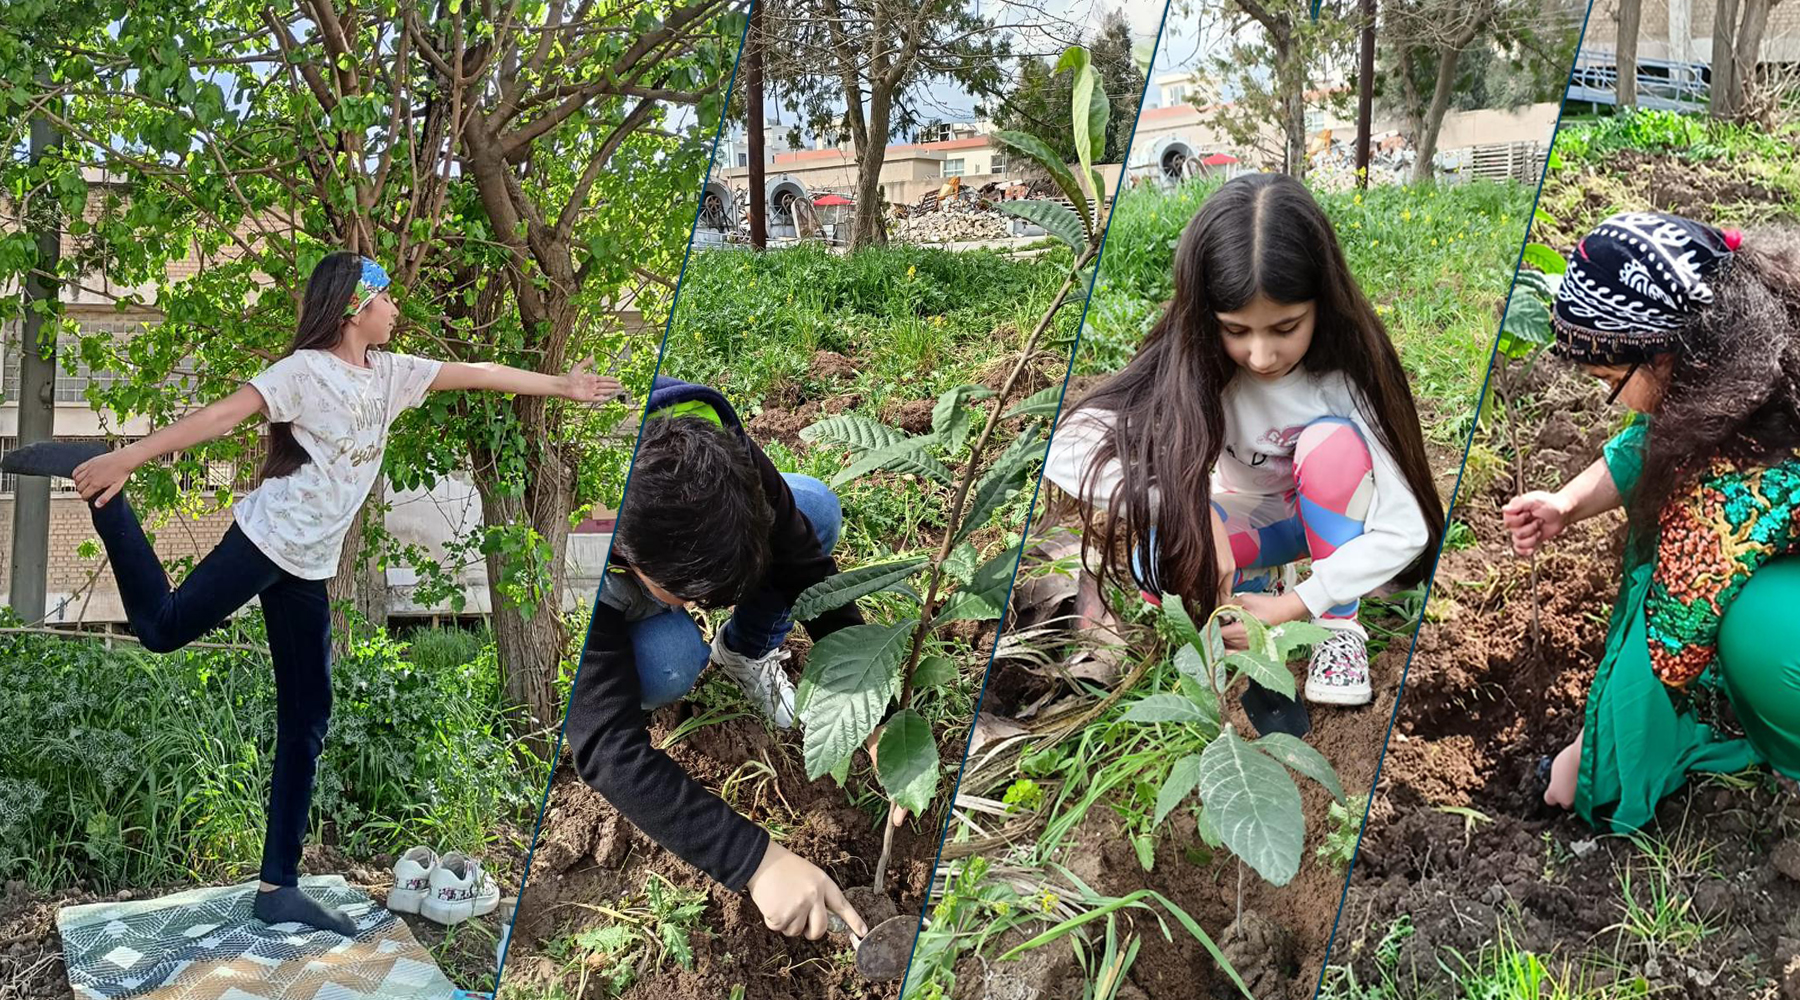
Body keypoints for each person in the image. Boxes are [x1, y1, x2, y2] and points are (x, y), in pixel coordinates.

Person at [1, 252, 619, 934]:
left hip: (309, 566)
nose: (397, 311)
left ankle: (278, 887)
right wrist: (127, 457)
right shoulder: (304, 373)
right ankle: (106, 500)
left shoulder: (391, 374)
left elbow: (481, 374)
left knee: (308, 717)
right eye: (387, 299)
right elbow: (220, 417)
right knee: (160, 628)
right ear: (356, 307)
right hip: (267, 542)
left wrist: (563, 385)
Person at [1044, 173, 1443, 715]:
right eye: (1237, 330)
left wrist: (1303, 604)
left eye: (1285, 328)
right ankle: (1247, 595)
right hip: (1257, 521)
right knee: (1151, 561)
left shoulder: (1346, 380)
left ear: (1323, 302)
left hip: (1337, 520)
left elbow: (1406, 527)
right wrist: (1187, 506)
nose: (1260, 356)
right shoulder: (1195, 364)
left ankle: (1338, 632)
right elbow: (1068, 443)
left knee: (1331, 447)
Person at [1503, 211, 1800, 829]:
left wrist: (1583, 763)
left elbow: (1670, 641)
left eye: (1613, 380)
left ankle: (1789, 753)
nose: (1611, 398)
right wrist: (1565, 504)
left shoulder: (1745, 473)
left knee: (1760, 630)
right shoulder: (1753, 340)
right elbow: (1650, 442)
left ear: (1666, 350)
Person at [561, 376, 871, 942]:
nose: (700, 607)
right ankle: (665, 647)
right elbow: (608, 749)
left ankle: (743, 652)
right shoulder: (580, 543)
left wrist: (867, 693)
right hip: (604, 584)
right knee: (672, 662)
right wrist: (758, 863)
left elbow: (803, 565)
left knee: (815, 509)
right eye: (688, 596)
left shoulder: (714, 442)